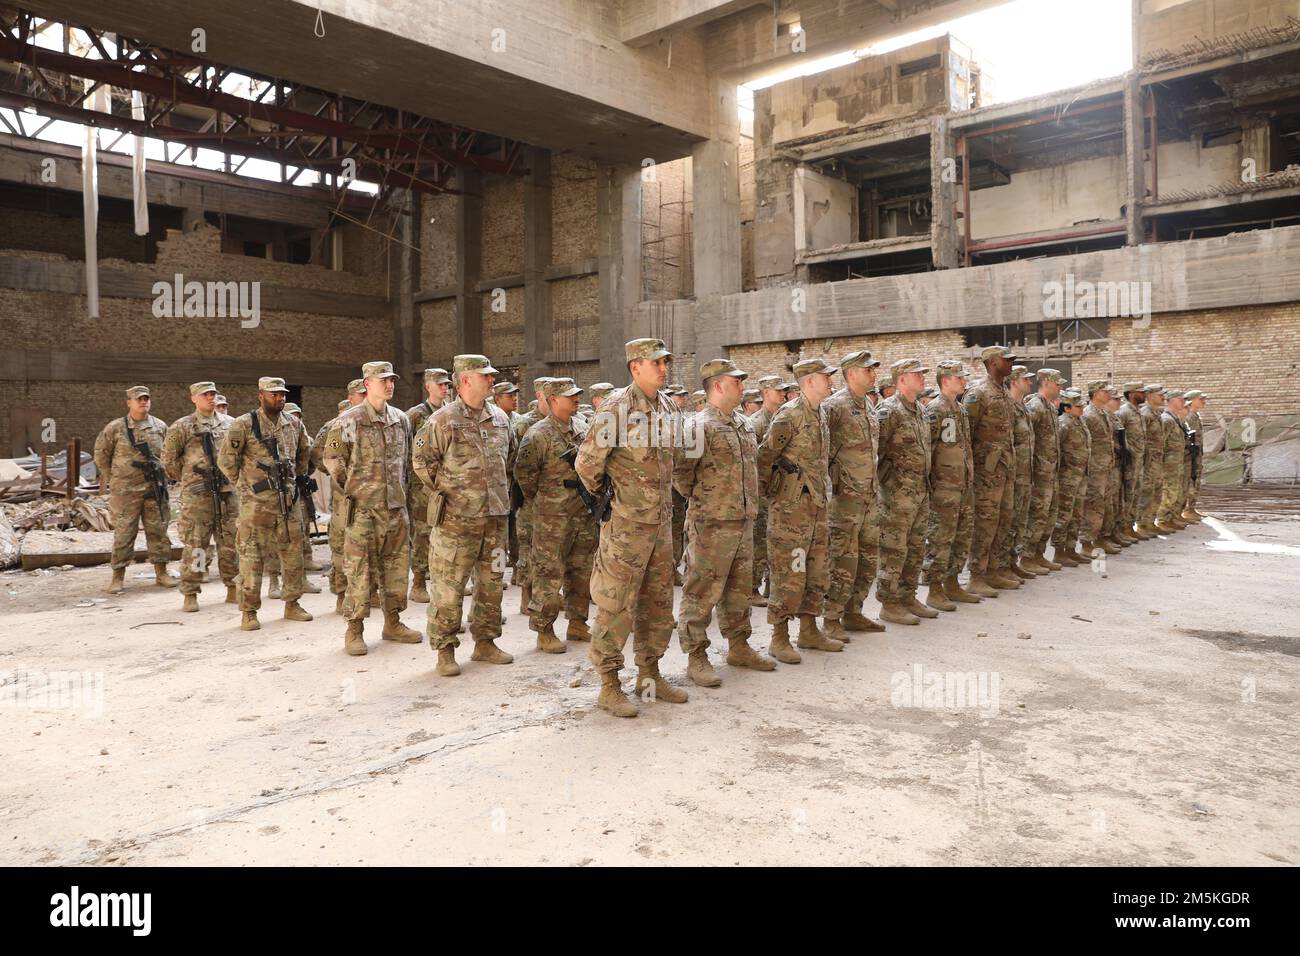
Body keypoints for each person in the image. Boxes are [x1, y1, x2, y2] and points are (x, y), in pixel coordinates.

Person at [575, 338, 685, 717]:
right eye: (656, 362)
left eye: (665, 362)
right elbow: (587, 464)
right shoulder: (617, 408)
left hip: (660, 526)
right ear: (635, 367)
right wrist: (613, 500)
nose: (663, 368)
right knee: (615, 603)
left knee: (657, 602)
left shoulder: (668, 406)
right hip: (626, 528)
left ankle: (650, 674)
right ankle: (609, 684)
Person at [413, 355, 516, 676]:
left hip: (495, 519)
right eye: (485, 376)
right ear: (466, 380)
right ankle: (445, 648)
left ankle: (485, 642)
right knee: (449, 585)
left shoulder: (500, 418)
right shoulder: (441, 421)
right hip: (455, 522)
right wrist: (453, 494)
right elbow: (421, 463)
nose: (492, 380)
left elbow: (509, 458)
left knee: (492, 583)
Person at [674, 359, 775, 686]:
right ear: (718, 386)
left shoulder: (743, 424)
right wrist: (709, 502)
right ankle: (696, 654)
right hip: (711, 524)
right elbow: (681, 477)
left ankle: (738, 645)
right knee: (701, 589)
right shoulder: (697, 426)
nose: (743, 388)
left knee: (739, 589)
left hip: (743, 521)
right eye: (737, 382)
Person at [323, 361, 421, 656]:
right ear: (367, 384)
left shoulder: (401, 419)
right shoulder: (348, 421)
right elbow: (333, 461)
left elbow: (406, 462)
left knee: (396, 568)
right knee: (359, 571)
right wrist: (357, 491)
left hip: (395, 508)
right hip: (364, 510)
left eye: (391, 380)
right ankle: (354, 629)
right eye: (383, 380)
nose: (389, 384)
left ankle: (393, 622)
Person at [757, 357, 843, 659]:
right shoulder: (789, 416)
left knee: (817, 571)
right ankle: (779, 637)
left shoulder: (820, 413)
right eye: (825, 376)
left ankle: (809, 630)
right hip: (791, 512)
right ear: (808, 381)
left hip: (817, 507)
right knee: (789, 573)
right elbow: (764, 457)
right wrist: (777, 495)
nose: (831, 381)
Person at [217, 376, 313, 630]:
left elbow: (305, 452)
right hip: (256, 504)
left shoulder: (293, 423)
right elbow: (226, 461)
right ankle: (249, 610)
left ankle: (292, 603)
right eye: (274, 394)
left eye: (282, 394)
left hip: (288, 501)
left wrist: (296, 479)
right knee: (251, 556)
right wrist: (245, 486)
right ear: (261, 395)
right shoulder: (244, 424)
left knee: (293, 554)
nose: (279, 398)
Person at [513, 377, 596, 653]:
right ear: (552, 401)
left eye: (576, 395)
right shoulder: (537, 435)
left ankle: (577, 622)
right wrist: (547, 500)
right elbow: (525, 477)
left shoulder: (583, 427)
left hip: (582, 513)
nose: (576, 399)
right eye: (569, 396)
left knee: (581, 569)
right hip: (551, 517)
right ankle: (545, 629)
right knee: (549, 573)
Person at [821, 350, 885, 640]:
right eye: (867, 370)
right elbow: (821, 450)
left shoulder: (870, 406)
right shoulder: (835, 407)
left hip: (869, 497)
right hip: (844, 499)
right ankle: (831, 617)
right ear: (850, 374)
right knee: (842, 560)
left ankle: (854, 611)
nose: (873, 374)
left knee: (868, 559)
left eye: (873, 370)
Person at [94, 385, 178, 594]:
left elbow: (169, 454)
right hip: (126, 491)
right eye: (139, 399)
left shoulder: (160, 426)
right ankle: (118, 576)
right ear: (129, 402)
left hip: (154, 488)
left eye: (146, 398)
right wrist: (115, 478)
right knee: (124, 532)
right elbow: (101, 454)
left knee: (158, 531)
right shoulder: (116, 428)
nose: (143, 402)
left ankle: (161, 572)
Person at [162, 381, 238, 610]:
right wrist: (190, 479)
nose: (210, 397)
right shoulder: (182, 427)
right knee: (197, 544)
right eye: (205, 394)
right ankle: (191, 592)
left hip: (227, 492)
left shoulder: (232, 424)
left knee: (231, 543)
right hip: (198, 494)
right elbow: (169, 461)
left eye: (213, 393)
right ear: (194, 398)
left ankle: (234, 586)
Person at [875, 358, 935, 625]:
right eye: (917, 374)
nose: (922, 378)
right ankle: (889, 603)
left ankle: (908, 595)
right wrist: (888, 487)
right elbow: (876, 453)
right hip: (896, 494)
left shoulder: (920, 411)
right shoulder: (888, 411)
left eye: (922, 374)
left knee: (915, 546)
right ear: (901, 379)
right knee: (893, 549)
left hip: (920, 491)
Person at [922, 360, 981, 608]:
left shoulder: (960, 409)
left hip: (963, 484)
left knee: (961, 536)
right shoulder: (935, 409)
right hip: (944, 487)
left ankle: (953, 583)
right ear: (946, 380)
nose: (965, 382)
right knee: (940, 538)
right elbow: (929, 448)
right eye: (960, 378)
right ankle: (934, 589)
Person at [964, 345, 1019, 593]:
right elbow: (967, 434)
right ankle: (977, 575)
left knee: (1002, 520)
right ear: (993, 362)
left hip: (1005, 467)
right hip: (986, 471)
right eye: (1006, 360)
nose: (1011, 364)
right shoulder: (978, 393)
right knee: (984, 522)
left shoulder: (1004, 391)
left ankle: (993, 570)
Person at [404, 368, 452, 604]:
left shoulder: (451, 412)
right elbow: (406, 451)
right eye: (440, 384)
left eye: (446, 385)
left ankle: (441, 579)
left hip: (448, 484)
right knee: (422, 533)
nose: (444, 388)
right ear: (428, 387)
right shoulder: (416, 415)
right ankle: (419, 582)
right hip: (421, 486)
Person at [747, 374, 786, 606]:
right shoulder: (756, 423)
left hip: (780, 490)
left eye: (783, 390)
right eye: (777, 390)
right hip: (762, 492)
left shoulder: (784, 417)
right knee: (760, 541)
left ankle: (773, 585)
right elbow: (756, 461)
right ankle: (752, 587)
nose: (782, 394)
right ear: (765, 394)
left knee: (779, 541)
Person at [1021, 368, 1064, 572]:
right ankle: (1027, 557)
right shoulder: (1035, 407)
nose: (1060, 387)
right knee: (1037, 515)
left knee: (1049, 515)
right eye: (1057, 383)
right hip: (1039, 474)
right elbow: (1027, 439)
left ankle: (1038, 554)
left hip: (1050, 472)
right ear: (1046, 382)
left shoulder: (1049, 407)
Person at [1051, 389, 1090, 566]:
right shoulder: (1062, 424)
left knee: (1076, 514)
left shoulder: (1079, 422)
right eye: (1078, 405)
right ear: (1067, 408)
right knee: (1064, 515)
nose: (1082, 408)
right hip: (1067, 476)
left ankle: (1070, 548)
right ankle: (1059, 551)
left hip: (1080, 475)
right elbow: (1056, 449)